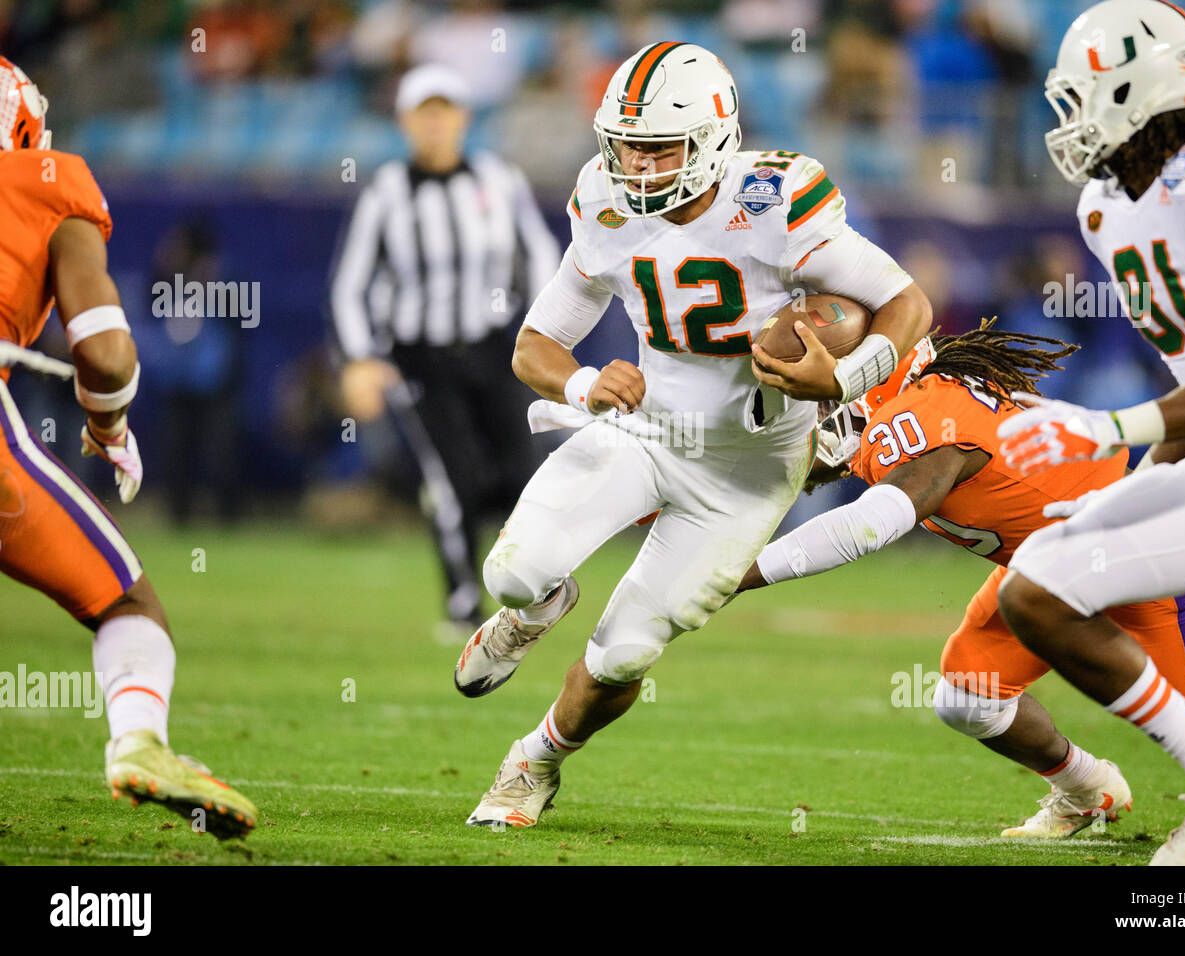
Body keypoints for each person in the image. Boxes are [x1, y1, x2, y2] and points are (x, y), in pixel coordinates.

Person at [454, 41, 932, 827]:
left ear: (712, 139)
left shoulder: (776, 198)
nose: (637, 167)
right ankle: (536, 607)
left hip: (750, 470)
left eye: (658, 148)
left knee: (626, 656)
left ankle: (532, 762)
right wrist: (583, 382)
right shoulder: (603, 205)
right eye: (626, 145)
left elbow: (904, 303)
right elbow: (534, 346)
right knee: (510, 575)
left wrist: (844, 380)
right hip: (645, 430)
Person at [735, 322, 1185, 836]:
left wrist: (739, 573)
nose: (806, 418)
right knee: (968, 699)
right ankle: (1086, 789)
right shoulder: (918, 408)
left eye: (809, 400)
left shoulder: (927, 409)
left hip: (1146, 560)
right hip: (1050, 574)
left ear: (869, 382)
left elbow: (869, 524)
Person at [994, 0, 1185, 865]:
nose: (1069, 120)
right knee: (1038, 589)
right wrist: (1135, 476)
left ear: (1140, 87)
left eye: (1083, 95)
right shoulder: (1105, 202)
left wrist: (1104, 429)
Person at [0, 57, 257, 837]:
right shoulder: (46, 179)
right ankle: (138, 741)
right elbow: (107, 353)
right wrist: (108, 426)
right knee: (126, 600)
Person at [330, 63, 560, 638]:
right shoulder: (386, 191)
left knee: (527, 471)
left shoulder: (498, 179)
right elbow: (350, 284)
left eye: (445, 110)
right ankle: (464, 606)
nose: (435, 122)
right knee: (452, 475)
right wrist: (361, 359)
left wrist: (546, 334)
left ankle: (536, 594)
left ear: (462, 117)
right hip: (421, 358)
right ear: (406, 120)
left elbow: (538, 258)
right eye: (423, 111)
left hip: (492, 346)